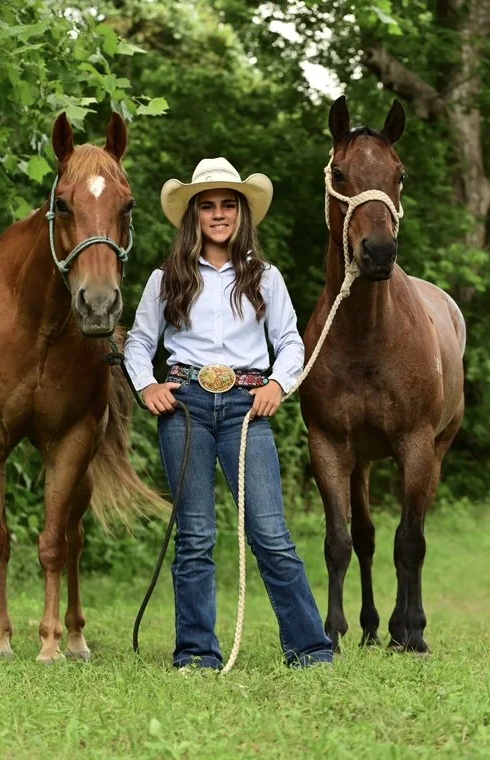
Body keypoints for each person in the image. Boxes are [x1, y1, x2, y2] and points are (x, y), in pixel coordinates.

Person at [124, 157, 334, 670]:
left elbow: (289, 342)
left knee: (270, 533)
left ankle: (309, 649)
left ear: (242, 214)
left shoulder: (264, 277)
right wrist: (147, 384)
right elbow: (138, 342)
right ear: (193, 216)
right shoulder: (165, 279)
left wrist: (279, 386)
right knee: (195, 535)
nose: (219, 214)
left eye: (228, 205)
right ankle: (197, 653)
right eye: (208, 206)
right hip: (186, 407)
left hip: (247, 406)